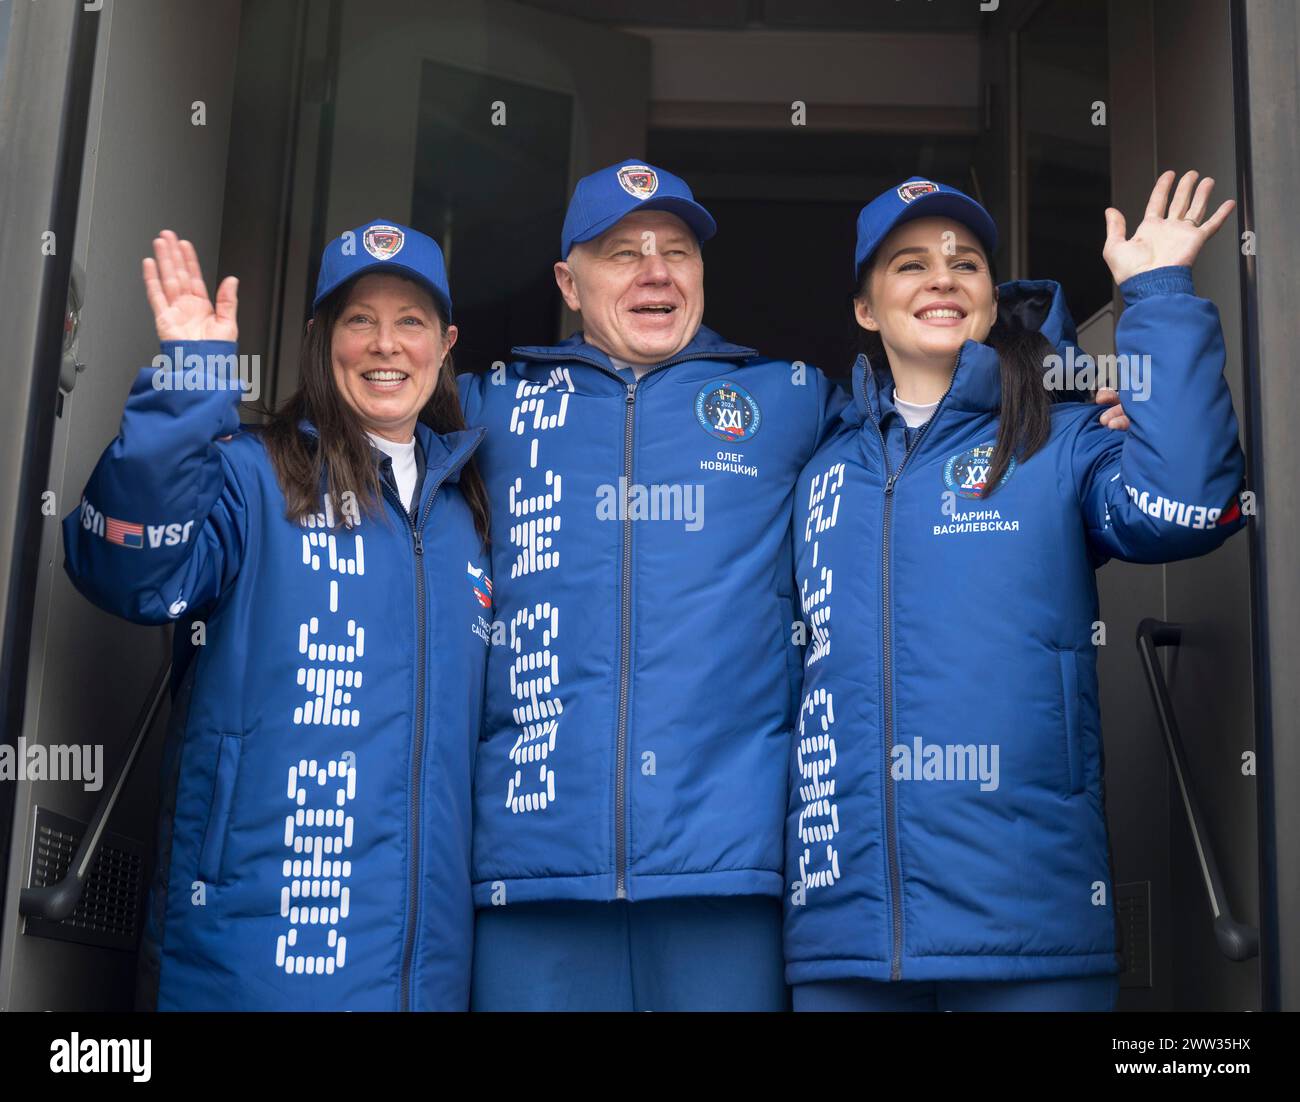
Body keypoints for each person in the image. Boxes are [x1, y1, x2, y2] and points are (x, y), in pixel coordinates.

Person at [460, 160, 1130, 1011]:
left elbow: (934, 416)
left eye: (677, 250)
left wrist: (1058, 384)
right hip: (532, 868)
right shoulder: (489, 409)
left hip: (731, 874)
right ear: (569, 281)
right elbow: (369, 411)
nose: (656, 270)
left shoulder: (791, 401)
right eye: (622, 252)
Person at [783, 171, 1247, 1011]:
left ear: (992, 301)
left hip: (1030, 933)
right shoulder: (819, 468)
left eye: (965, 264)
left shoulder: (1058, 440)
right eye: (909, 265)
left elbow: (1187, 508)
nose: (942, 279)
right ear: (864, 307)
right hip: (844, 942)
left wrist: (1157, 295)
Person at [62, 221, 490, 1010]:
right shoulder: (251, 475)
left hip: (423, 979)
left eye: (411, 322)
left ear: (446, 341)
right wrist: (189, 387)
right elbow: (123, 569)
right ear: (320, 337)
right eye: (359, 319)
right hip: (248, 963)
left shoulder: (470, 514)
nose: (385, 345)